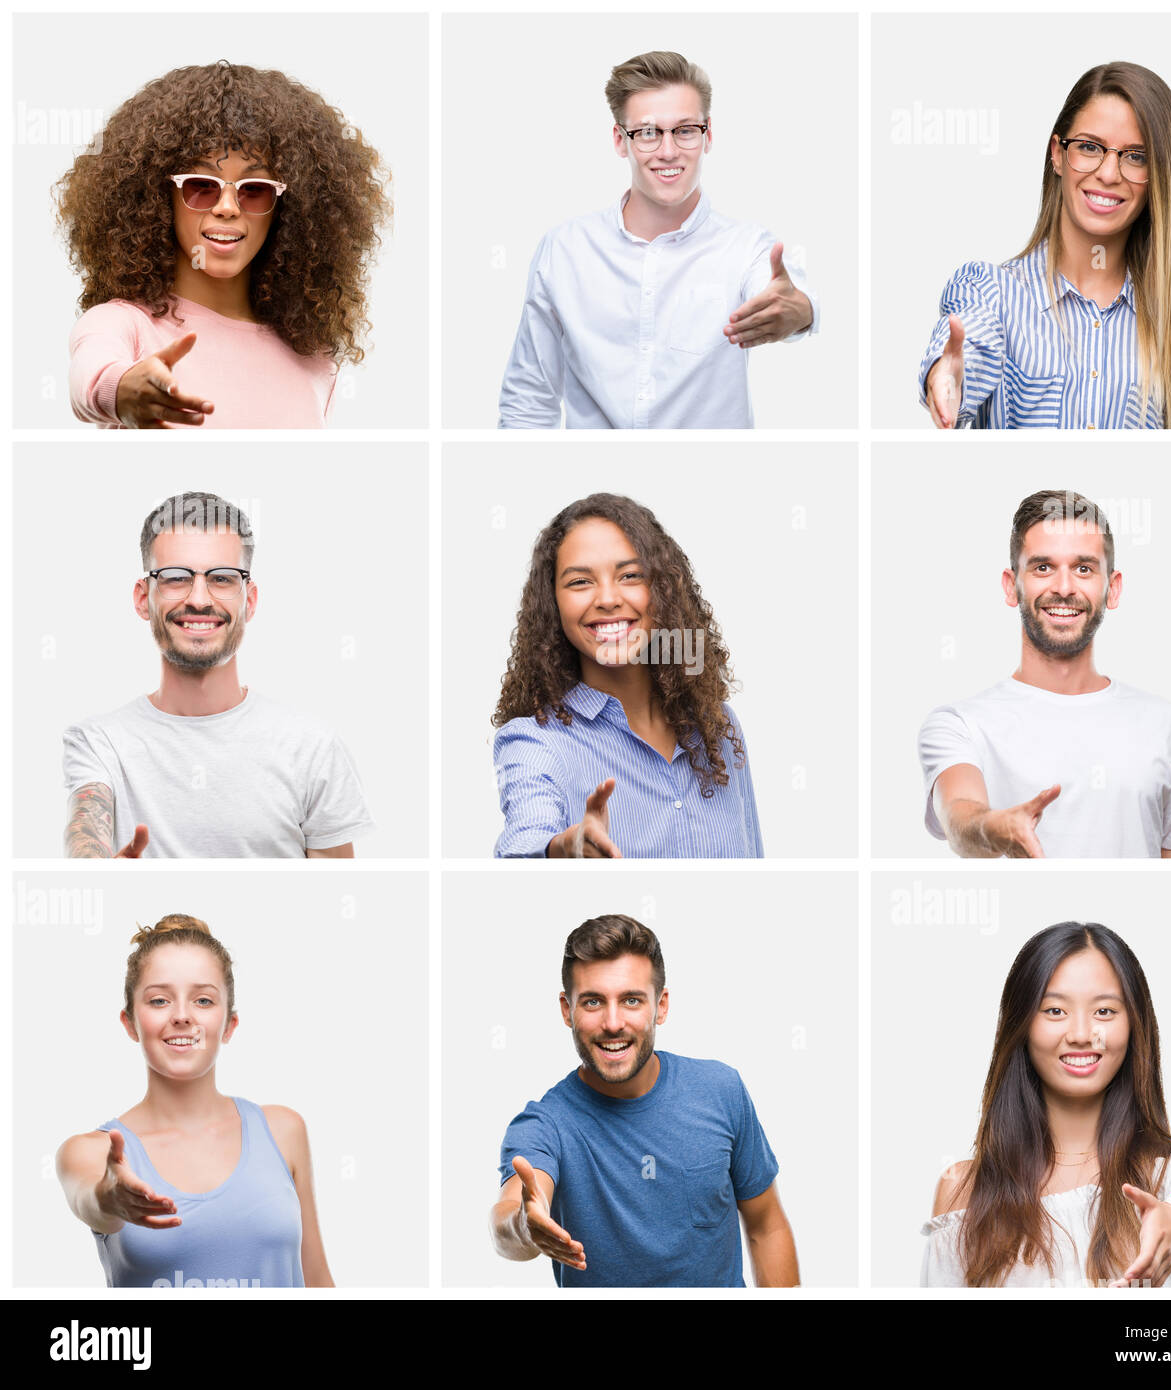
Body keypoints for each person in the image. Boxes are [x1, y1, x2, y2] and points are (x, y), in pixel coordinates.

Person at [56, 60, 390, 428]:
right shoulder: (122, 325)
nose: (227, 208)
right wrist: (121, 391)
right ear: (155, 196)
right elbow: (89, 377)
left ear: (289, 209)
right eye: (201, 186)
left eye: (255, 190)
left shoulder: (314, 360)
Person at [498, 50, 818, 429]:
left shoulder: (746, 247)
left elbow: (787, 297)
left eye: (684, 130)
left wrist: (800, 313)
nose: (668, 151)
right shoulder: (565, 249)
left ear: (707, 135)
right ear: (621, 140)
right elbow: (529, 400)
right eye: (648, 132)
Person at [922, 922, 1171, 1287]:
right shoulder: (964, 1188)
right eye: (1054, 1011)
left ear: (1134, 1024)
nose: (1079, 1035)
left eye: (1104, 1012)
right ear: (1022, 1024)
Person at [62, 491, 375, 858]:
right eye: (176, 577)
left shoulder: (312, 748)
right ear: (142, 598)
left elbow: (333, 902)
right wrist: (93, 875)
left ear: (250, 600)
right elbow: (86, 831)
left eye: (222, 578)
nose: (199, 598)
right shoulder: (99, 743)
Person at [491, 915, 798, 1287]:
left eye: (631, 1000)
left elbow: (766, 1227)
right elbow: (509, 1215)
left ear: (661, 1006)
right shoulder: (545, 1124)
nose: (613, 1022)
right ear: (567, 1010)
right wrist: (524, 1226)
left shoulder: (721, 1089)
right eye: (592, 1002)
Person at [919, 62, 1171, 430]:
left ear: (1160, 175)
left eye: (1136, 156)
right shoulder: (992, 292)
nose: (1109, 174)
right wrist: (949, 375)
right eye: (1089, 147)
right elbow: (968, 345)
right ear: (1058, 154)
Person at [918, 489, 1171, 858]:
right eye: (1043, 567)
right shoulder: (959, 724)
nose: (1063, 588)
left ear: (1113, 588)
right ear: (1011, 586)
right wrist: (996, 828)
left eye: (1083, 568)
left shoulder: (1169, 725)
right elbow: (960, 818)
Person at [55, 916, 332, 1288]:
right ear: (130, 1023)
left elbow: (318, 1282)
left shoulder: (283, 1130)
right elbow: (90, 1201)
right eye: (158, 1000)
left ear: (229, 1024)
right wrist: (109, 1198)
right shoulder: (93, 1151)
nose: (182, 1016)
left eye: (203, 1000)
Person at [492, 493, 762, 858]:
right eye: (580, 582)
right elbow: (521, 846)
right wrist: (561, 849)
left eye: (630, 575)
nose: (607, 598)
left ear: (664, 589)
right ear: (553, 604)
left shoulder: (718, 727)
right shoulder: (534, 743)